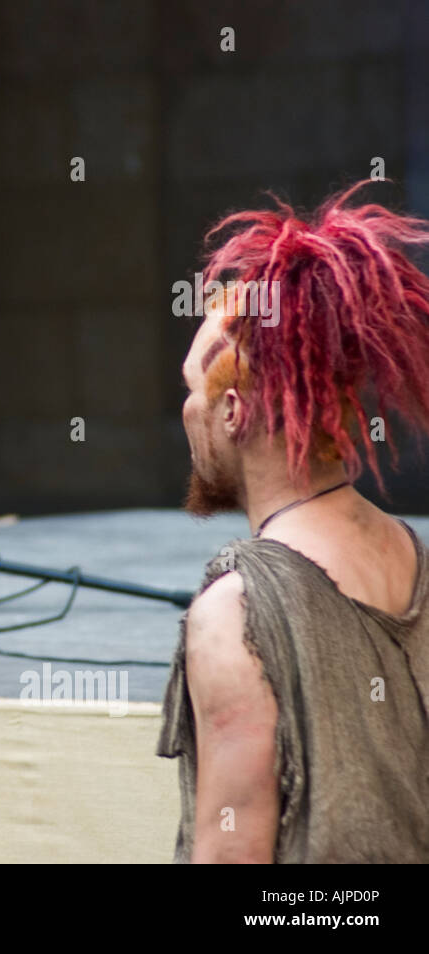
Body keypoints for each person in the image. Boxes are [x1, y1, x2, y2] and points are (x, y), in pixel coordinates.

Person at [158, 183, 429, 863]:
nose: (187, 415)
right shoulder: (412, 556)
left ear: (233, 414)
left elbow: (231, 857)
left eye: (193, 392)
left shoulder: (237, 612)